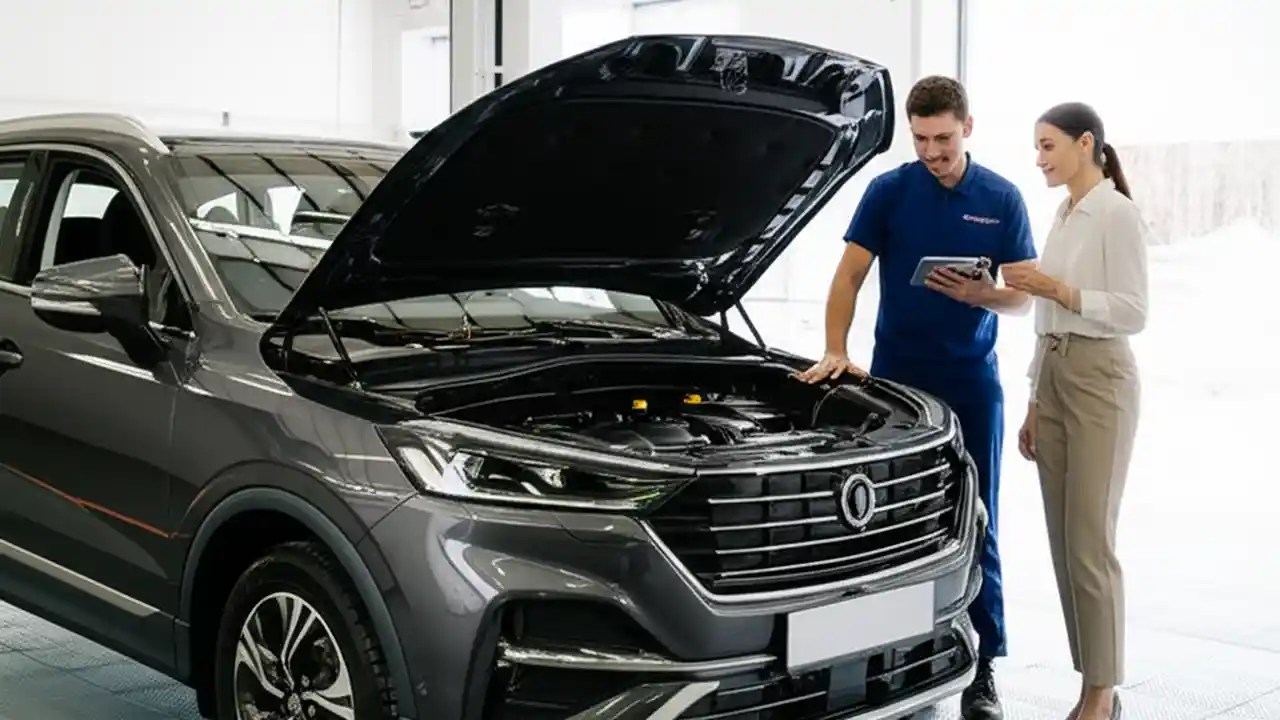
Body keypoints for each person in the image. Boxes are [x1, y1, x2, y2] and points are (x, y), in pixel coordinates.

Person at [798, 75, 1038, 720]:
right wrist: (835, 349)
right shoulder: (888, 191)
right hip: (897, 384)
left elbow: (1021, 295)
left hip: (971, 381)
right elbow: (848, 274)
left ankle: (982, 668)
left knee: (977, 515)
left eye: (944, 138)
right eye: (922, 138)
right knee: (890, 524)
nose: (932, 151)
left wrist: (983, 295)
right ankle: (894, 653)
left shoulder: (1002, 198)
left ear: (969, 127)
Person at [1003, 102, 1148, 720]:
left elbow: (1134, 311)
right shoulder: (1063, 214)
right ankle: (1091, 679)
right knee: (1064, 542)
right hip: (1057, 375)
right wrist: (1035, 399)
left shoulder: (1116, 212)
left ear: (1085, 144)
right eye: (1036, 148)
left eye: (1048, 146)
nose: (1039, 159)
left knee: (1091, 541)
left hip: (1100, 378)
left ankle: (1100, 694)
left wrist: (1056, 288)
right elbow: (1044, 318)